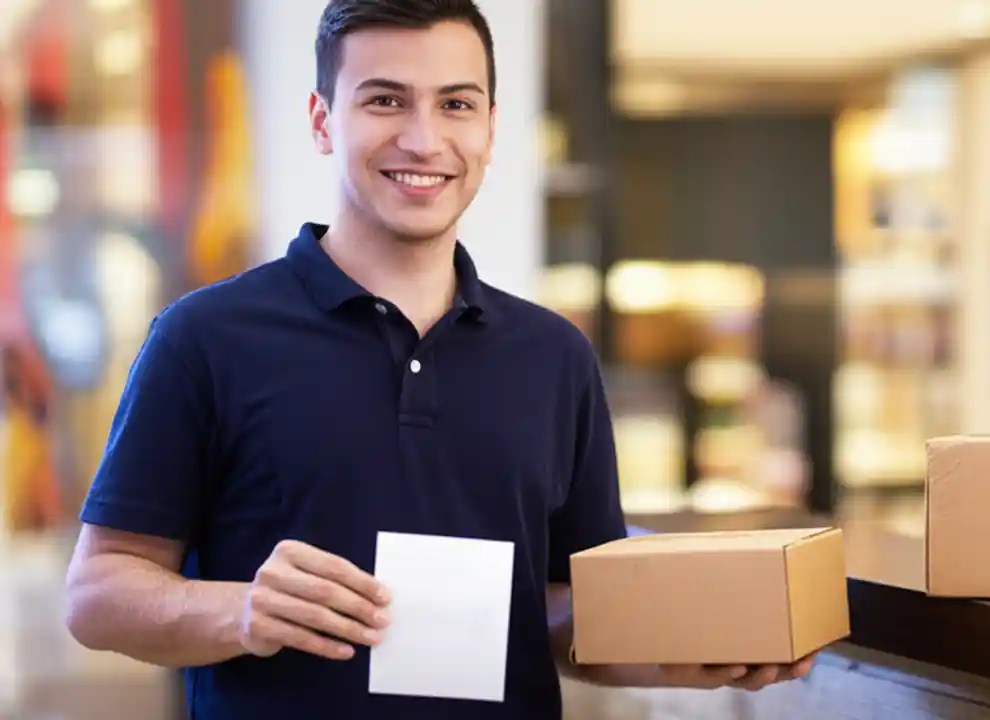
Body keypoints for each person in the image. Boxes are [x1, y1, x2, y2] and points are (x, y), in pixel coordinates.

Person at [62, 1, 816, 718]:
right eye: (385, 101)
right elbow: (98, 595)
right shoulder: (205, 337)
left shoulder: (554, 358)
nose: (424, 140)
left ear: (491, 127)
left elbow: (559, 611)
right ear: (324, 121)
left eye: (456, 104)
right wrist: (242, 610)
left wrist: (672, 655)